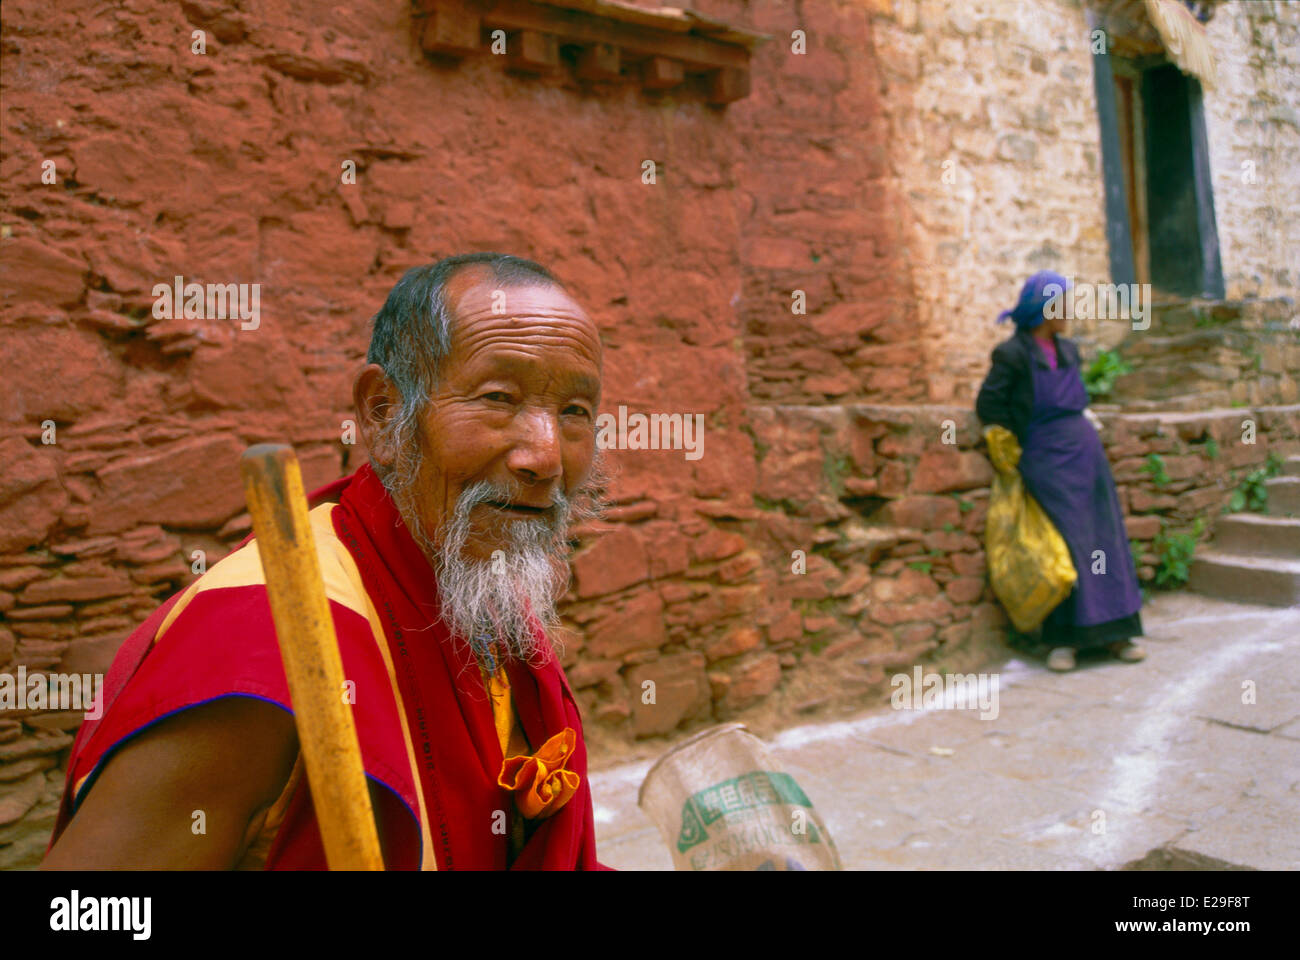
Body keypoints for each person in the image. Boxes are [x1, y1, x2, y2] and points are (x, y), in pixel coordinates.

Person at [43, 253, 611, 869]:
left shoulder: (469, 579)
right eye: (498, 397)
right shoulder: (267, 640)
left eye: (574, 412)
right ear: (383, 412)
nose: (546, 456)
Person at [975, 271, 1147, 672]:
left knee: (1104, 541)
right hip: (1045, 459)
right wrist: (1010, 447)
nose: (1069, 311)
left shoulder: (1069, 350)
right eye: (1064, 304)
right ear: (1045, 310)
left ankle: (1118, 633)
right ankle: (1063, 640)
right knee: (1063, 544)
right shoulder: (1013, 354)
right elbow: (989, 405)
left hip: (1086, 455)